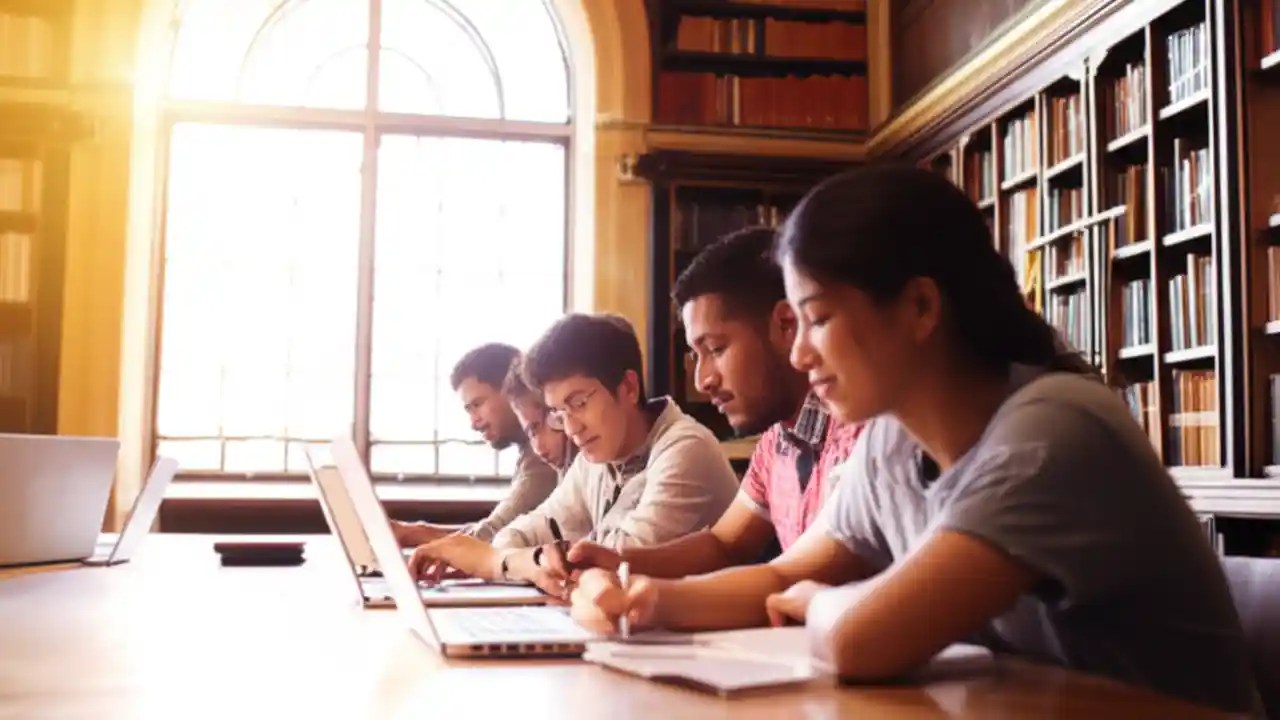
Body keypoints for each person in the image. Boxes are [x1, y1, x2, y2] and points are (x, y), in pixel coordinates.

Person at [568, 165, 1261, 715]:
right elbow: (780, 576)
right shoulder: (893, 443)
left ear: (921, 306)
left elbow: (860, 638)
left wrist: (818, 603)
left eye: (817, 319)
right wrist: (639, 597)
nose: (801, 355)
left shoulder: (1054, 431)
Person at [565, 227, 862, 579]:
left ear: (785, 325)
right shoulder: (775, 444)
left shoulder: (862, 431)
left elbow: (794, 578)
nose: (703, 380)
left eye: (717, 350)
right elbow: (724, 544)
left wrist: (658, 599)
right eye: (695, 354)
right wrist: (617, 563)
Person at [407, 313, 740, 596]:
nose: (570, 427)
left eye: (579, 403)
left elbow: (610, 563)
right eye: (558, 412)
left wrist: (509, 562)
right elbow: (517, 534)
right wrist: (534, 559)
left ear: (628, 388)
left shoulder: (684, 449)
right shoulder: (594, 458)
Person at [390, 343, 558, 546]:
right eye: (469, 410)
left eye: (477, 405)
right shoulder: (530, 451)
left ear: (512, 390)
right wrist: (415, 531)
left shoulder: (545, 458)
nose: (473, 423)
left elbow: (491, 537)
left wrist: (409, 534)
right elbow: (495, 530)